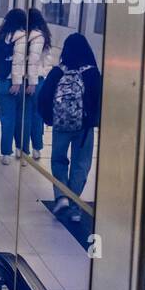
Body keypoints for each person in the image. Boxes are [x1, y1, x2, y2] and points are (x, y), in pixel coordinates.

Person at [36, 32, 101, 221]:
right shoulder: (92, 73)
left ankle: (62, 197)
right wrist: (92, 120)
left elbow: (44, 98)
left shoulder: (58, 72)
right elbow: (100, 100)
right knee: (81, 164)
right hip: (84, 127)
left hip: (61, 125)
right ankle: (74, 205)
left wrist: (50, 119)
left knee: (58, 160)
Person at [0, 8, 29, 164]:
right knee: (20, 118)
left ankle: (6, 153)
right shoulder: (21, 37)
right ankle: (21, 150)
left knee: (7, 119)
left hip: (2, 83)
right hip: (15, 84)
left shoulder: (1, 35)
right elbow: (18, 61)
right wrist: (17, 82)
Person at [24, 8, 53, 158]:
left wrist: (32, 82)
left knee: (29, 114)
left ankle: (28, 148)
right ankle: (36, 148)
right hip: (40, 79)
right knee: (37, 115)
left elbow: (33, 61)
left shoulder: (35, 36)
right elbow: (47, 61)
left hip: (34, 80)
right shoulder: (44, 36)